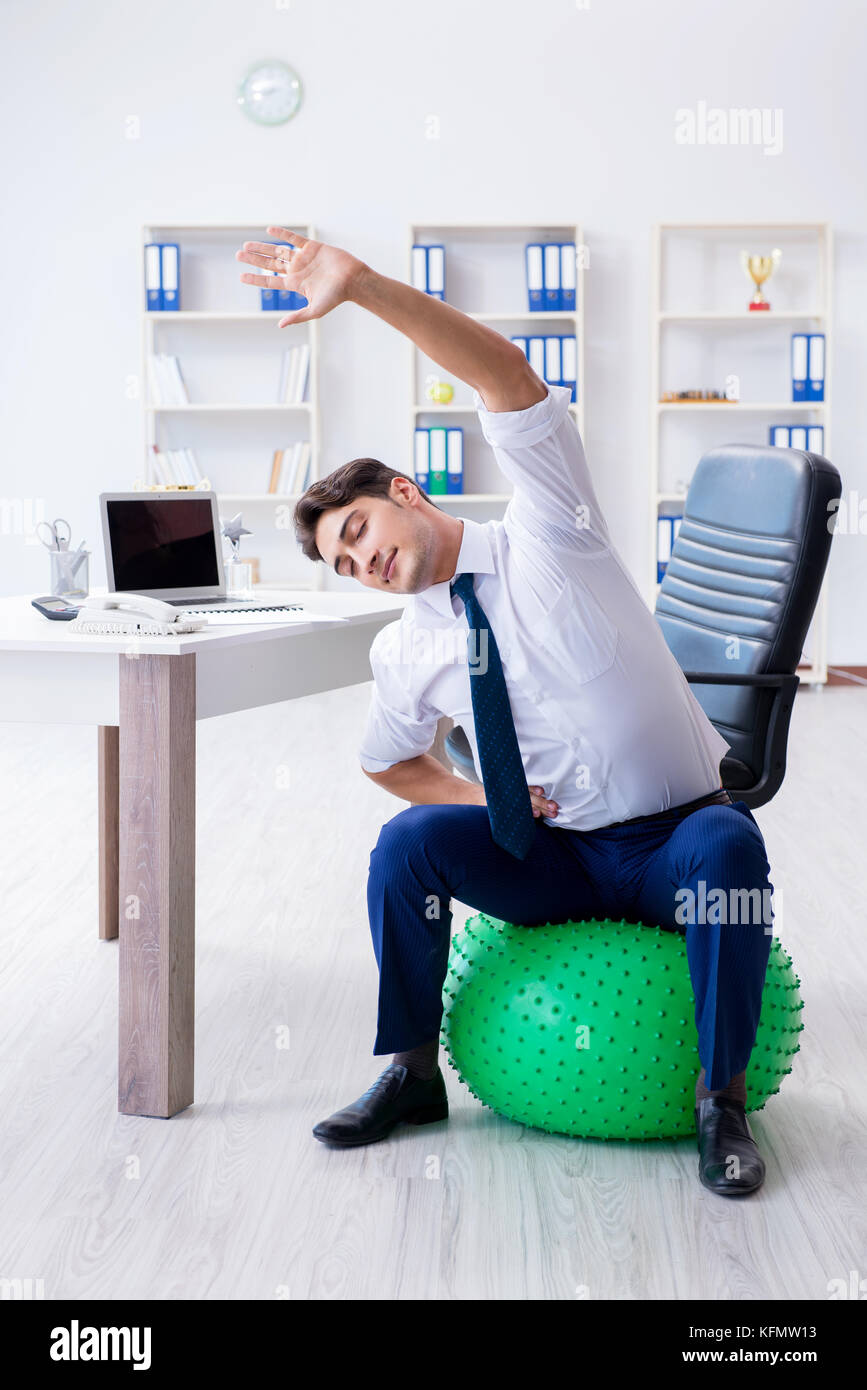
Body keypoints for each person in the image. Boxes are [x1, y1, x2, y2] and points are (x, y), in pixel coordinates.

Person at [236, 228, 776, 1196]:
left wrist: (359, 288)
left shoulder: (551, 526)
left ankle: (720, 1100)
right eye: (345, 563)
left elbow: (507, 375)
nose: (364, 562)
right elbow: (385, 761)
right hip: (557, 860)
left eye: (360, 531)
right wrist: (480, 799)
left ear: (406, 491)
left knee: (730, 850)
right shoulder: (404, 648)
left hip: (674, 837)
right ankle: (408, 1070)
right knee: (407, 846)